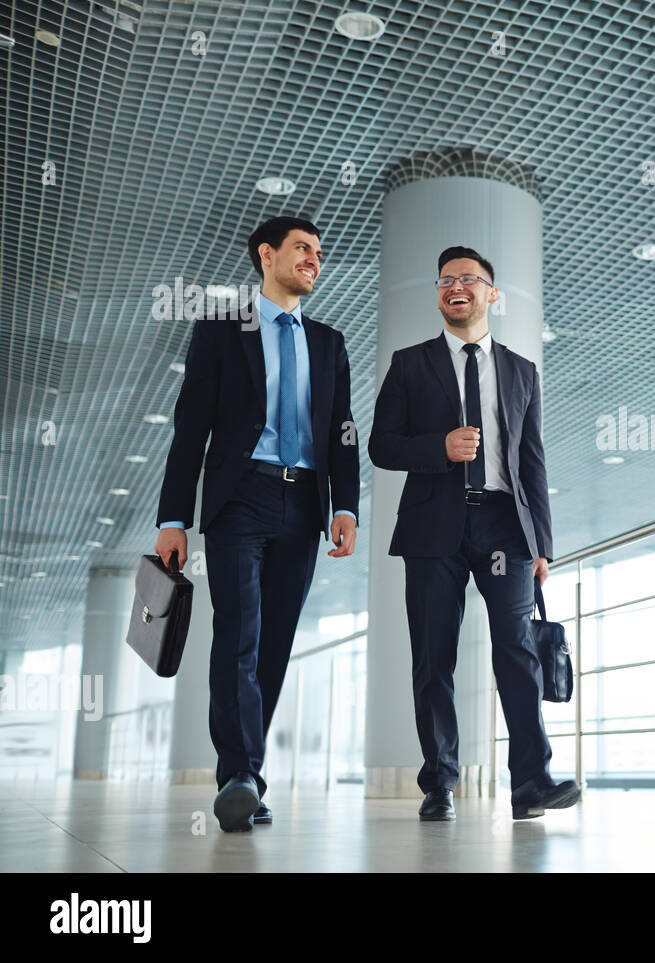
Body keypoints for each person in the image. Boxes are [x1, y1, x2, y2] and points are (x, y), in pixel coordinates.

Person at [153, 216, 360, 832]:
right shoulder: (222, 331)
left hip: (303, 504)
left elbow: (341, 435)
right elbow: (191, 428)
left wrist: (344, 506)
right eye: (302, 249)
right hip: (239, 498)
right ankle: (239, 775)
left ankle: (247, 774)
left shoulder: (328, 343)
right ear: (266, 256)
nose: (313, 261)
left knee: (273, 645)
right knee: (239, 633)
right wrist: (173, 517)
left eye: (319, 253)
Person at [369, 245, 579, 821]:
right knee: (433, 658)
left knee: (517, 651)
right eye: (445, 280)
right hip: (433, 522)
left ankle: (531, 782)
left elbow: (532, 459)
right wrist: (437, 449)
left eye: (468, 279)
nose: (455, 286)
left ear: (491, 293)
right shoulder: (410, 363)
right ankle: (439, 782)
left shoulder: (520, 370)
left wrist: (542, 545)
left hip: (504, 526)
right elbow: (382, 446)